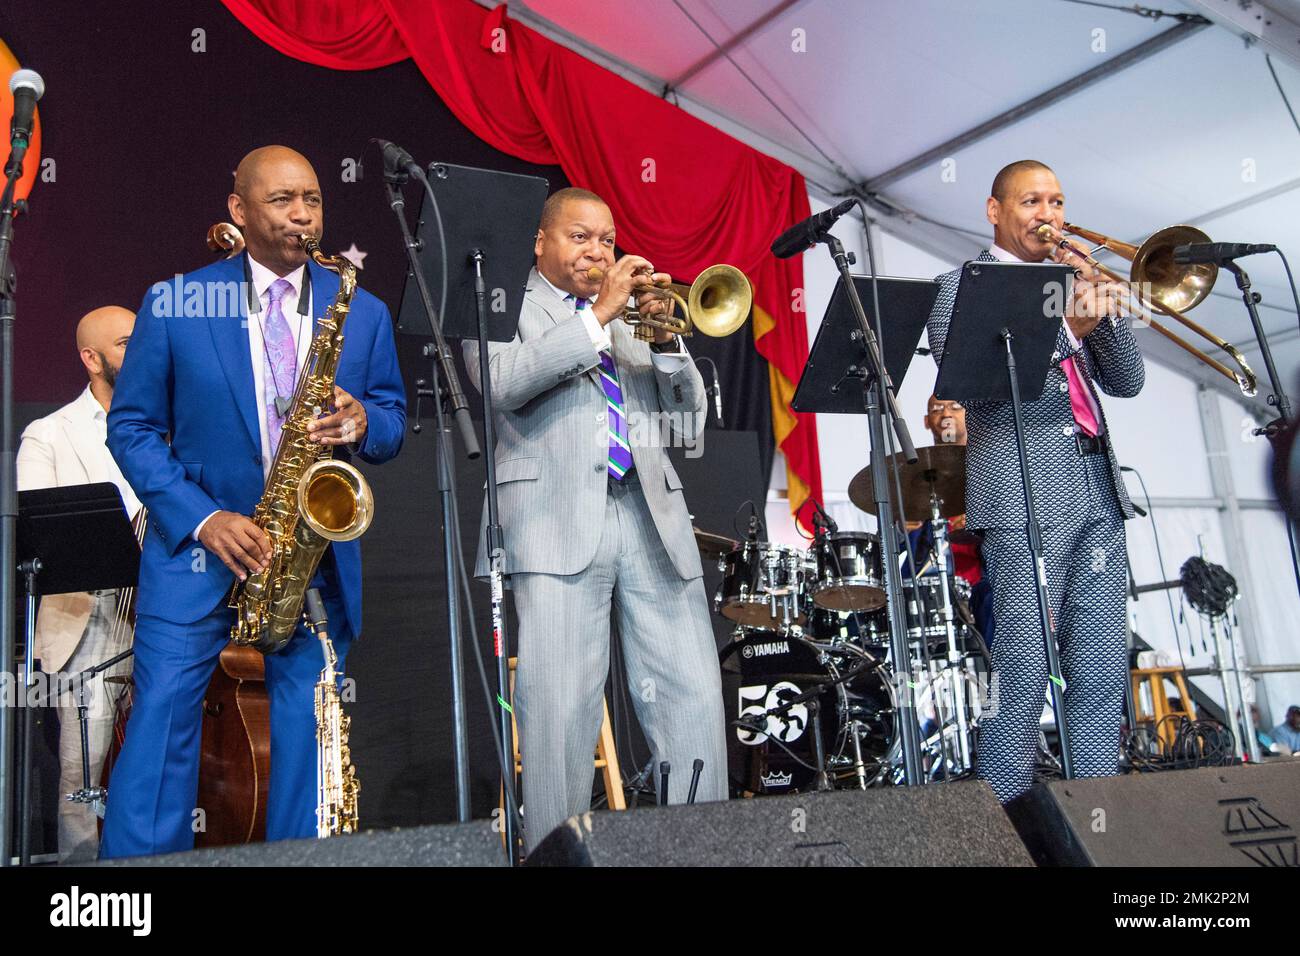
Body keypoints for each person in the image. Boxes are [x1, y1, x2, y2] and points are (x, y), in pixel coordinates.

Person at [99, 146, 406, 857]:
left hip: (310, 556)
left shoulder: (361, 310)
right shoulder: (175, 300)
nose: (303, 213)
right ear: (239, 209)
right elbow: (133, 427)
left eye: (314, 200)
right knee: (160, 735)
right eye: (283, 200)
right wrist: (203, 518)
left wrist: (365, 422)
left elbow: (391, 422)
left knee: (307, 742)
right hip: (198, 552)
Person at [464, 187, 727, 852]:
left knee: (690, 698)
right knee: (558, 713)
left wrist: (666, 341)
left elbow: (689, 419)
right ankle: (557, 856)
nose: (599, 252)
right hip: (552, 523)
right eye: (580, 237)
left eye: (606, 239)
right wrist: (596, 317)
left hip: (650, 517)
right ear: (540, 242)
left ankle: (698, 850)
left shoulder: (634, 316)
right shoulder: (495, 301)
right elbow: (502, 382)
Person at [926, 159, 1144, 804]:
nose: (1047, 214)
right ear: (995, 211)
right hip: (1023, 496)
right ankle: (1009, 823)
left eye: (1055, 201)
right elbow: (972, 379)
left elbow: (1126, 382)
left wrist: (1106, 315)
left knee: (1103, 671)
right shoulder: (960, 286)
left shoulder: (1072, 280)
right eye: (1030, 201)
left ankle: (1101, 820)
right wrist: (1069, 331)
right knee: (1021, 672)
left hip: (1096, 491)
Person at [16, 306, 140, 861]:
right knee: (82, 771)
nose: (140, 352)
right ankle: (82, 885)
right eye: (124, 344)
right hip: (89, 616)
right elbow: (44, 539)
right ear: (91, 359)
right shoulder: (48, 434)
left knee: (164, 759)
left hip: (166, 611)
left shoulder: (176, 426)